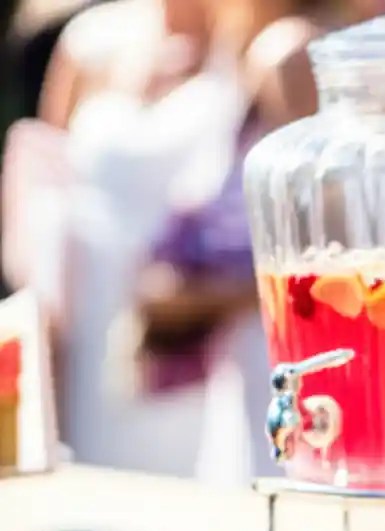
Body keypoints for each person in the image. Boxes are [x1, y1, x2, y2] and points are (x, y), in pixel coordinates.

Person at [3, 0, 355, 485]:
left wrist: (197, 300)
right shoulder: (85, 41)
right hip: (91, 338)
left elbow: (323, 238)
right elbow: (45, 209)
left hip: (206, 346)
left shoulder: (264, 35)